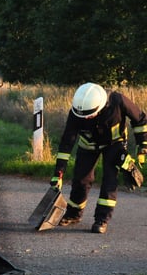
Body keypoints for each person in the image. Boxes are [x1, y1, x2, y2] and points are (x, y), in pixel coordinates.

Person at [53, 83, 147, 234]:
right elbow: (66, 143)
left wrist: (143, 144)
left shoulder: (118, 101)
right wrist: (58, 173)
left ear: (101, 105)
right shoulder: (77, 113)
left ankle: (101, 220)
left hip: (114, 144)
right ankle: (73, 214)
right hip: (88, 146)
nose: (87, 117)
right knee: (81, 181)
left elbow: (141, 120)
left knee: (110, 181)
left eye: (90, 114)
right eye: (84, 115)